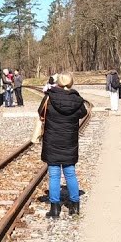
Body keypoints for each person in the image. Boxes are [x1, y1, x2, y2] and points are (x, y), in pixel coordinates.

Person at [36, 73, 90, 218]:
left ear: (58, 83)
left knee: (54, 175)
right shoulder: (77, 99)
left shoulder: (49, 97)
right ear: (71, 83)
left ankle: (55, 209)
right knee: (70, 173)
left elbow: (40, 112)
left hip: (52, 141)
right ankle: (75, 206)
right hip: (69, 141)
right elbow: (83, 113)